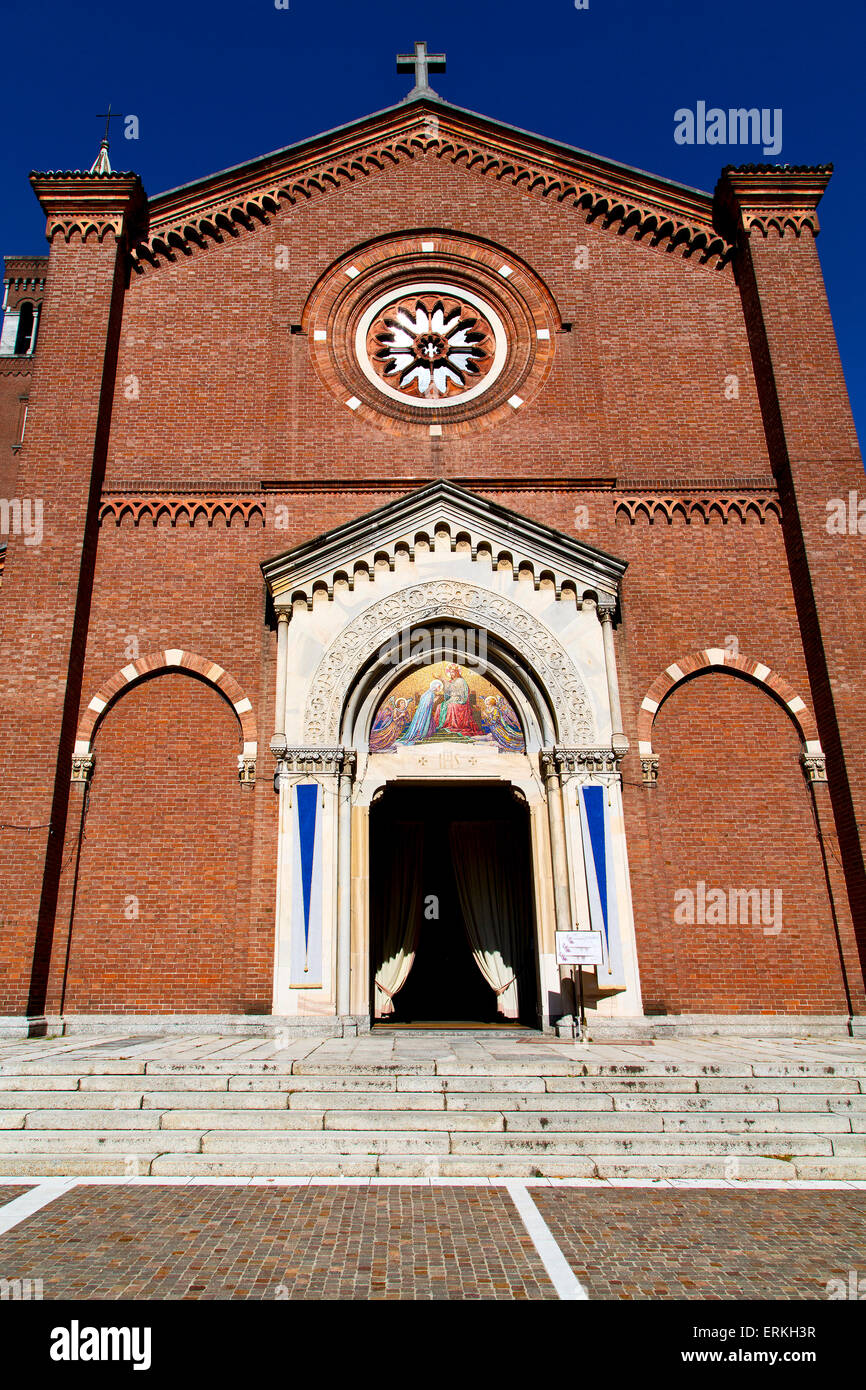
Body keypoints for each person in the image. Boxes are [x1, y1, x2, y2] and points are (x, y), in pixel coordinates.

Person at [438, 664, 483, 737]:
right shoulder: (450, 681)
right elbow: (448, 691)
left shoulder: (461, 681)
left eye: (453, 672)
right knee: (440, 706)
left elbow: (462, 694)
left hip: (460, 700)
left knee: (451, 706)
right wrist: (445, 687)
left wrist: (445, 681)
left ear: (457, 672)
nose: (452, 674)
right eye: (450, 672)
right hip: (452, 699)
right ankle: (442, 726)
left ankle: (453, 726)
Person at [398, 678, 443, 744]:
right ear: (435, 687)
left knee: (431, 723)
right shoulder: (431, 694)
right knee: (426, 722)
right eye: (439, 687)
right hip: (425, 712)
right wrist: (435, 700)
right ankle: (420, 734)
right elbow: (427, 704)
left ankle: (427, 734)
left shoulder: (428, 693)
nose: (439, 689)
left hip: (424, 712)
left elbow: (427, 703)